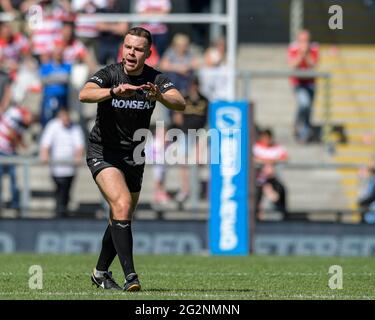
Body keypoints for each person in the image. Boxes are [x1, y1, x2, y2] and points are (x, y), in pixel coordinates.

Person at [79, 27, 185, 291]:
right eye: (128, 47)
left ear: (148, 53)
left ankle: (100, 272)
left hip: (135, 156)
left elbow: (179, 102)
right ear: (122, 48)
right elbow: (85, 93)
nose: (131, 53)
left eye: (138, 49)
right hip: (103, 152)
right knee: (123, 204)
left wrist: (159, 96)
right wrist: (114, 92)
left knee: (121, 214)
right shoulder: (110, 74)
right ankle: (131, 277)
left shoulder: (154, 79)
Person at [39, 109, 85, 217]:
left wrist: (78, 157)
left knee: (66, 191)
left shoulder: (75, 128)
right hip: (56, 168)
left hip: (70, 168)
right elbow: (45, 143)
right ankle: (60, 211)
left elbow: (79, 146)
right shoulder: (53, 126)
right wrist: (44, 155)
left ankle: (62, 211)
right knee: (60, 191)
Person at [172, 76, 208, 203]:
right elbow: (177, 117)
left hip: (200, 133)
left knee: (200, 161)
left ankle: (201, 189)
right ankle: (185, 189)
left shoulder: (204, 100)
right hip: (185, 133)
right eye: (192, 86)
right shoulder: (184, 99)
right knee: (184, 162)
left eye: (195, 85)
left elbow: (208, 118)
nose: (193, 88)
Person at [288, 29, 319, 143]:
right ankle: (297, 124)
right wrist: (301, 54)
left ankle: (304, 134)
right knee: (304, 103)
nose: (304, 43)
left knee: (308, 108)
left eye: (306, 40)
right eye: (301, 40)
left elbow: (313, 64)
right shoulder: (293, 48)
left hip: (310, 83)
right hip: (298, 83)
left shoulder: (314, 48)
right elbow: (292, 65)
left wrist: (306, 54)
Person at [0, 105, 33, 210]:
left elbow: (18, 134)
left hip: (11, 152)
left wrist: (22, 144)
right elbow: (11, 134)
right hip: (2, 150)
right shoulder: (14, 112)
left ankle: (15, 204)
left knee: (13, 179)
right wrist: (20, 145)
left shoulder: (22, 122)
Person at [253, 128, 288, 220]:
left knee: (280, 191)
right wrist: (267, 162)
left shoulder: (276, 148)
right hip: (258, 179)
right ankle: (257, 216)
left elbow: (284, 158)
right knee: (258, 192)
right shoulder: (256, 147)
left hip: (272, 178)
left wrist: (269, 162)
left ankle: (282, 213)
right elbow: (252, 159)